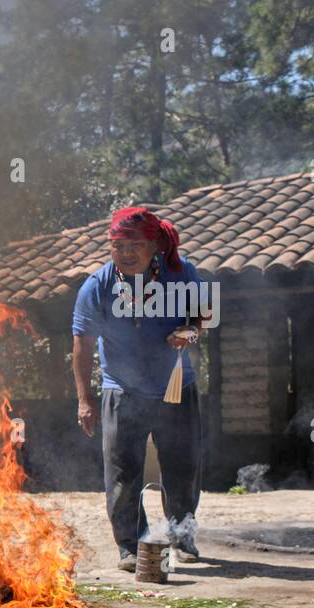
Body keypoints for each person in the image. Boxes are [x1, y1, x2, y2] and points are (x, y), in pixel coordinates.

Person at [72, 207, 209, 571]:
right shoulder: (97, 286)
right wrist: (85, 399)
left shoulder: (183, 273)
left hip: (175, 389)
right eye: (117, 244)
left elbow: (201, 318)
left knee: (183, 467)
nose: (126, 252)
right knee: (122, 473)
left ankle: (183, 537)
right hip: (122, 391)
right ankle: (131, 546)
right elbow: (82, 346)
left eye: (135, 244)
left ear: (154, 246)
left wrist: (189, 332)